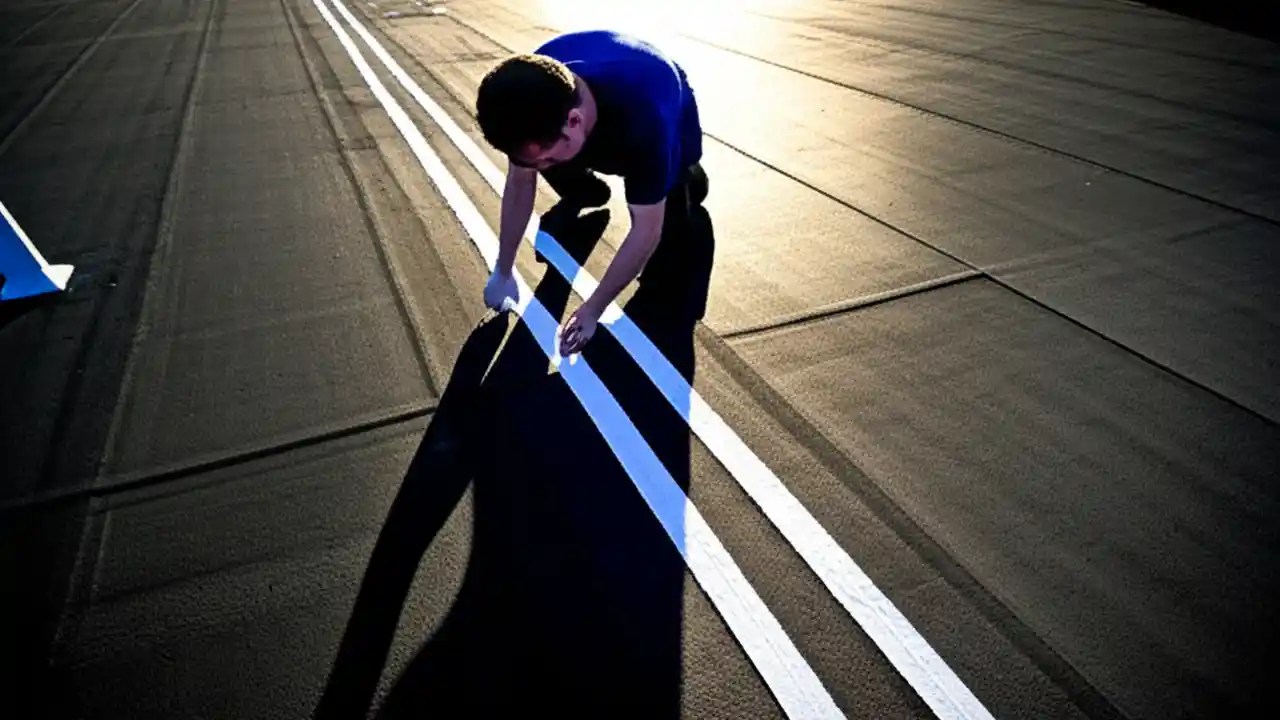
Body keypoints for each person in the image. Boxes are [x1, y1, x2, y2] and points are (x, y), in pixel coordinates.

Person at [475, 29, 708, 355]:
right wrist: (503, 269)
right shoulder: (532, 98)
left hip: (664, 108)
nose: (539, 168)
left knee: (679, 215)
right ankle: (586, 190)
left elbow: (646, 230)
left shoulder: (645, 120)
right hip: (589, 126)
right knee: (546, 160)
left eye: (548, 159)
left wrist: (593, 309)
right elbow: (519, 182)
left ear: (573, 121)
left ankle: (682, 178)